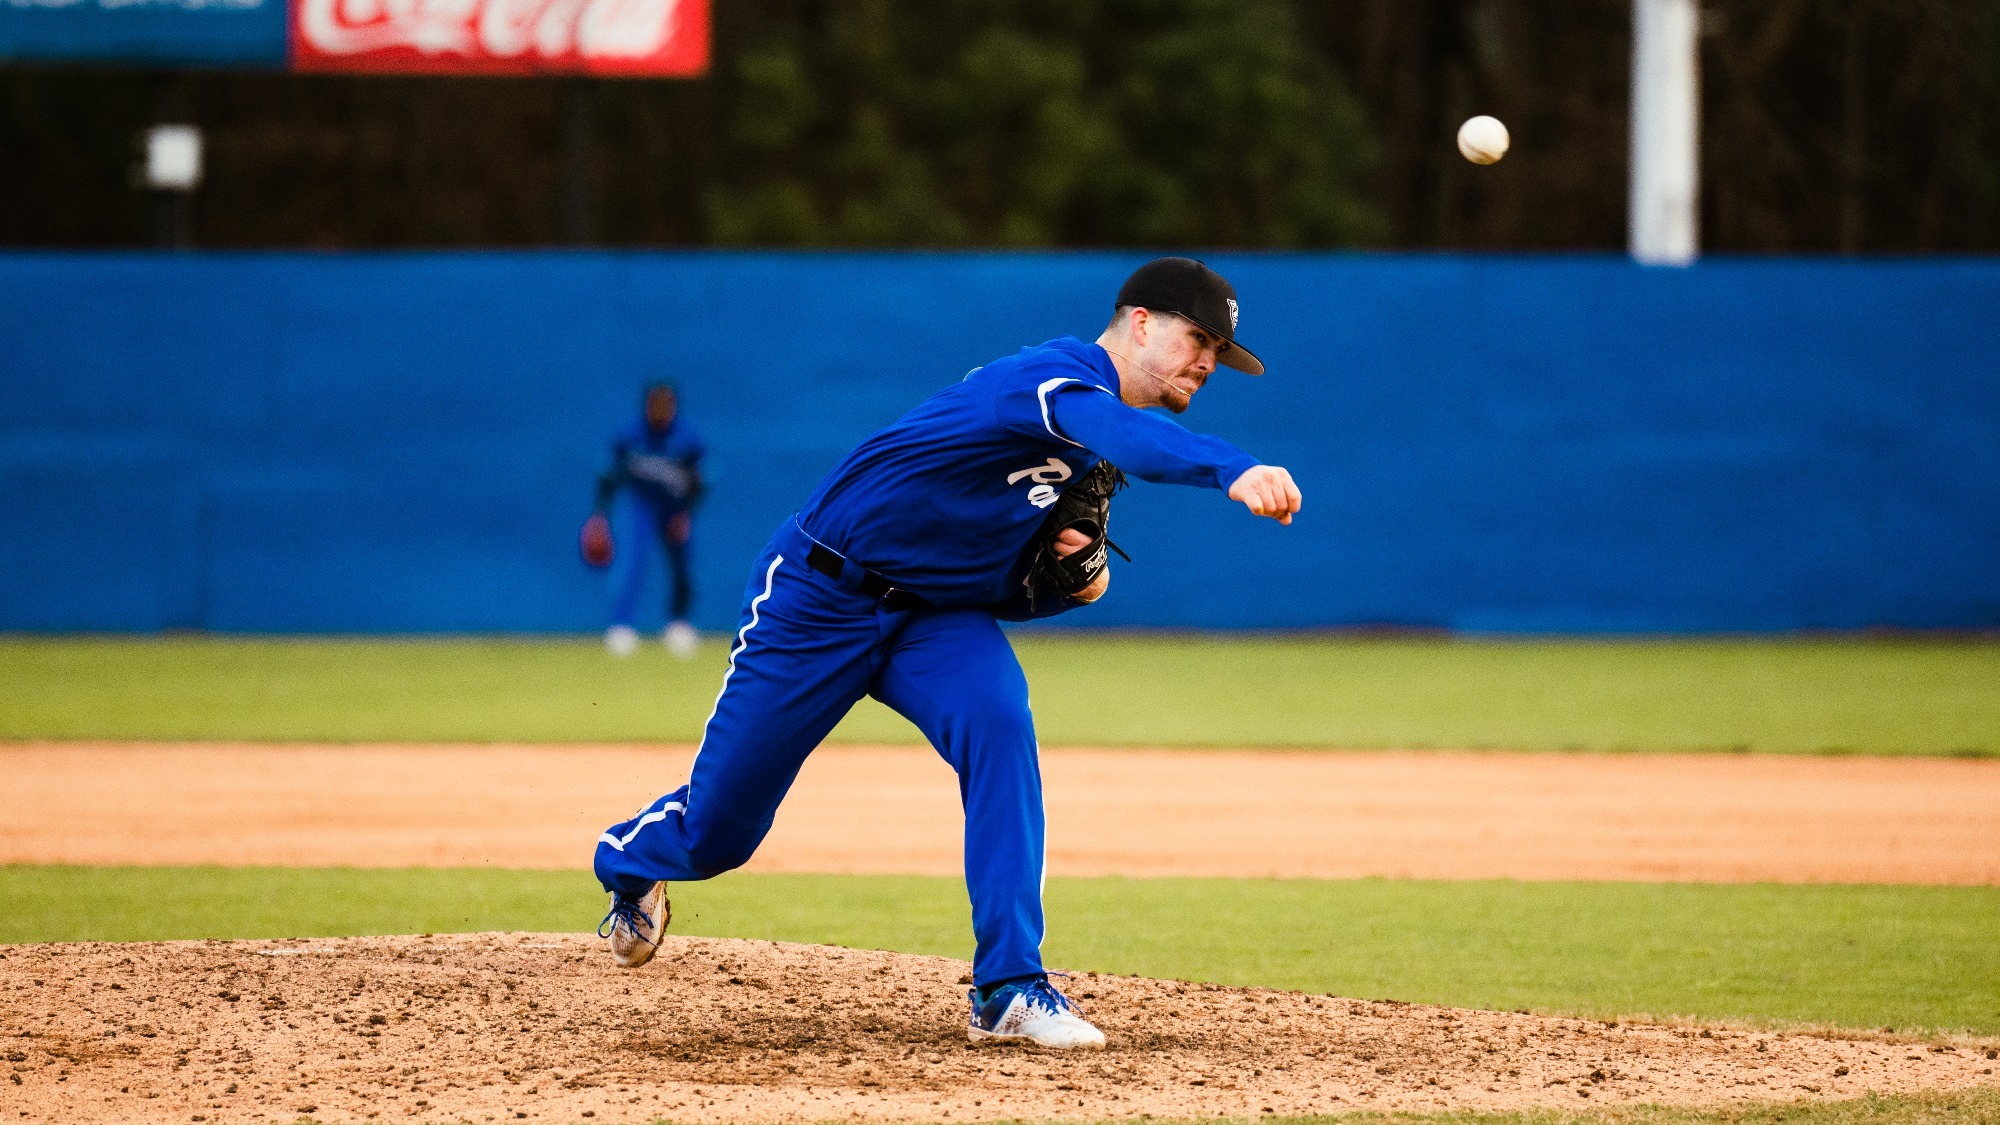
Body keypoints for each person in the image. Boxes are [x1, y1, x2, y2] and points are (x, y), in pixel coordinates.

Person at [592, 258, 1302, 1049]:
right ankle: (626, 862)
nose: (1208, 360)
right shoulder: (1052, 379)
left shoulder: (1080, 453)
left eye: (1219, 350)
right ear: (1141, 322)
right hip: (817, 598)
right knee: (718, 833)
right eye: (1198, 336)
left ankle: (1009, 985)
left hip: (931, 617)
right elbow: (1126, 433)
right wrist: (1232, 467)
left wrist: (1058, 582)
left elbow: (994, 566)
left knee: (1000, 724)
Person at [588, 382, 707, 658]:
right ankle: (621, 626)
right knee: (632, 562)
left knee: (681, 567)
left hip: (674, 508)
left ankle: (678, 624)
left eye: (667, 403)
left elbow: (701, 480)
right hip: (642, 506)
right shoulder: (631, 436)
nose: (661, 409)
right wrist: (598, 516)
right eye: (656, 403)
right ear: (646, 404)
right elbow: (607, 476)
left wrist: (686, 514)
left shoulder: (686, 438)